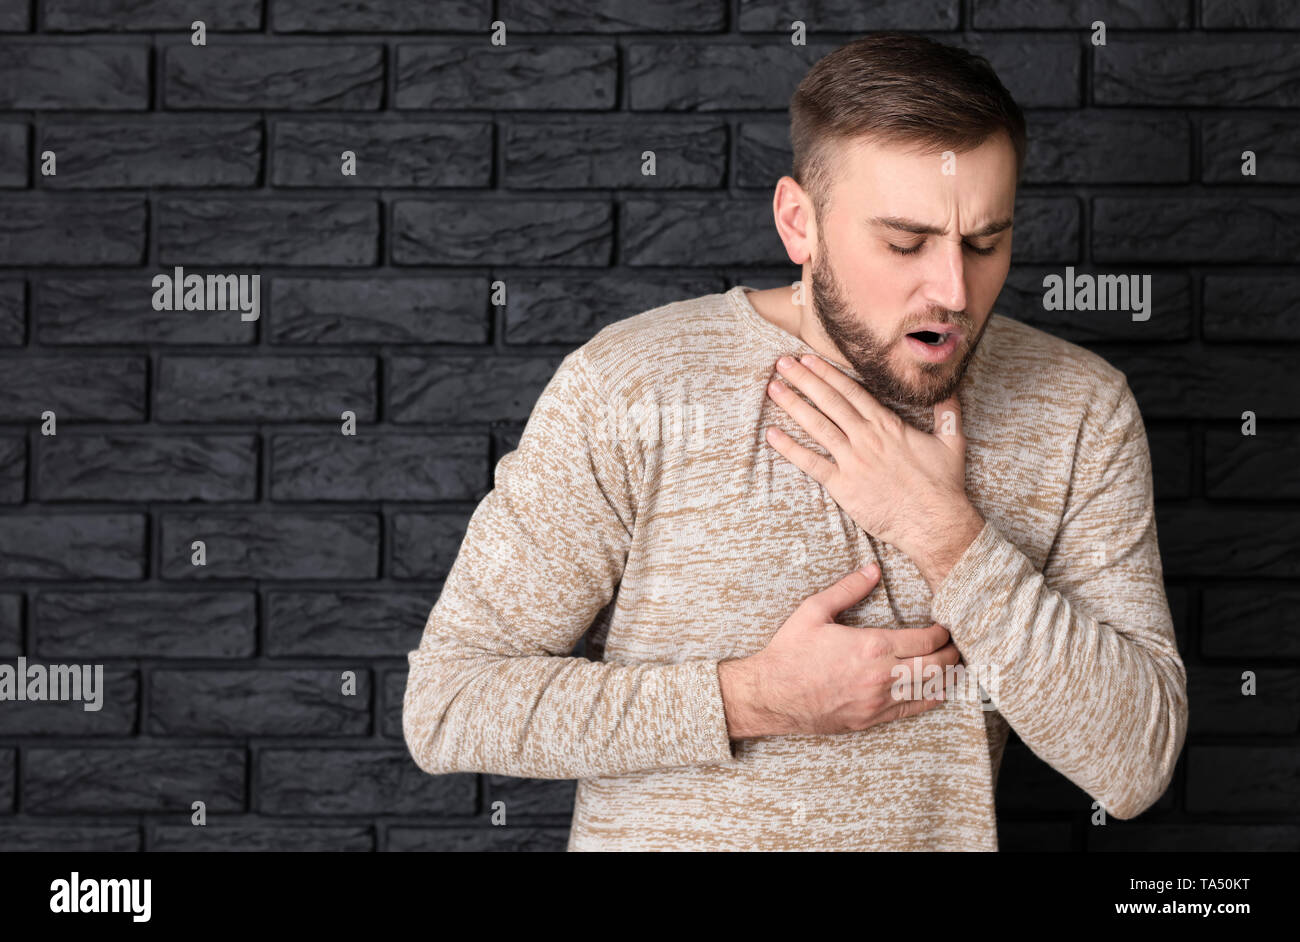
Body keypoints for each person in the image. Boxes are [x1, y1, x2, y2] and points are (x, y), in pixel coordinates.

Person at [402, 32, 1188, 851]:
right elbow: (451, 706)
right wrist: (752, 698)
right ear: (798, 222)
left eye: (985, 242)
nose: (954, 290)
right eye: (905, 243)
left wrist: (945, 535)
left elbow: (1134, 764)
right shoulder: (632, 386)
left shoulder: (1078, 410)